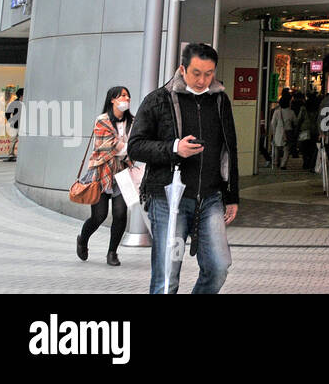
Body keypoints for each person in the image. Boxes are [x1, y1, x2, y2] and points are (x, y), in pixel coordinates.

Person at [127, 43, 238, 294]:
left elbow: (229, 149)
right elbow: (135, 146)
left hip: (210, 198)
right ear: (182, 68)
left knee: (218, 267)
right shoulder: (158, 99)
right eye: (196, 73)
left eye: (209, 73)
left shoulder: (220, 100)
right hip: (168, 200)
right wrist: (174, 148)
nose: (202, 80)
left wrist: (232, 196)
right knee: (167, 277)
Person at [76, 86, 135, 267]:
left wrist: (128, 150)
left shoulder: (133, 121)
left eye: (127, 96)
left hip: (123, 173)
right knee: (99, 216)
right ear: (112, 99)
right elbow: (108, 146)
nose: (126, 98)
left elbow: (136, 144)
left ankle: (112, 253)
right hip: (102, 172)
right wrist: (129, 150)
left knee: (120, 213)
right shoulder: (102, 121)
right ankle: (83, 239)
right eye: (122, 95)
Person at [269, 93, 296, 170]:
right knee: (286, 149)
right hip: (288, 132)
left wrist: (273, 132)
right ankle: (283, 164)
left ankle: (276, 161)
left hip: (278, 132)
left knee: (277, 147)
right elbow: (295, 122)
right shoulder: (291, 112)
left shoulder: (277, 112)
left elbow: (273, 123)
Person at [297, 93, 319, 175]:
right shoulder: (318, 108)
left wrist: (297, 128)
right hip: (315, 130)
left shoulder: (304, 108)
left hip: (305, 129)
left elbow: (299, 119)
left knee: (304, 147)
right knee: (313, 148)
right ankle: (311, 162)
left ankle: (306, 162)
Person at [3, 88, 22, 161]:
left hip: (23, 125)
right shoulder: (14, 103)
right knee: (13, 140)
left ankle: (20, 154)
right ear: (21, 95)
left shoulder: (25, 103)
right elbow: (7, 113)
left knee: (22, 140)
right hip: (15, 125)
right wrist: (10, 121)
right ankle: (11, 154)